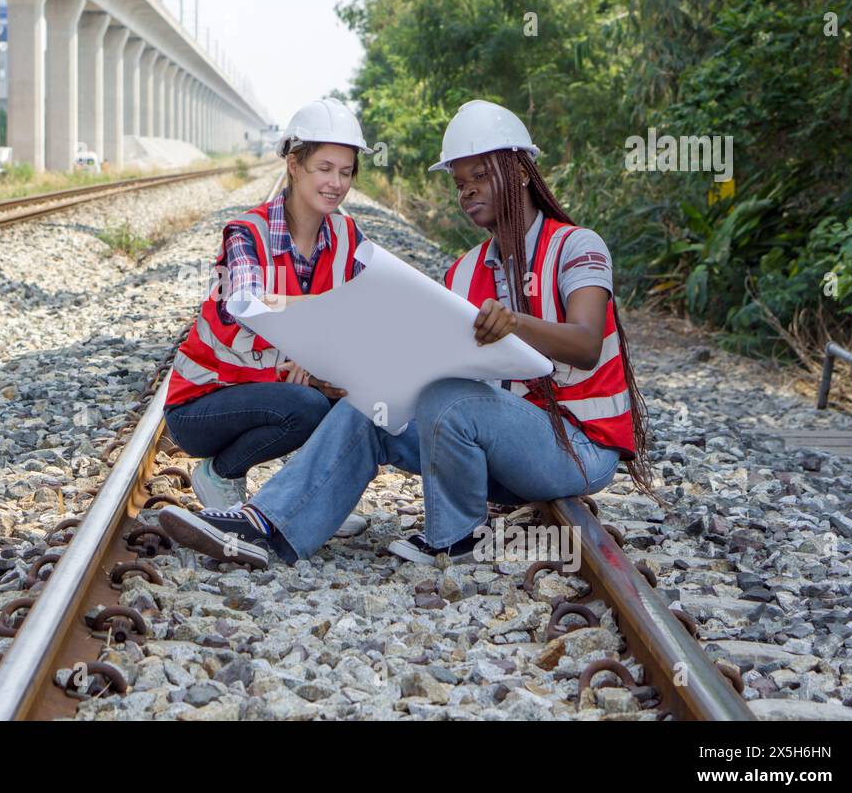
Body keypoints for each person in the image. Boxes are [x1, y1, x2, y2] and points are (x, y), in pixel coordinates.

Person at [161, 99, 654, 569]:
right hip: (497, 461)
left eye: (481, 176)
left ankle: (455, 538)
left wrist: (516, 323)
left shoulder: (576, 246)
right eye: (461, 184)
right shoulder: (463, 274)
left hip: (576, 451)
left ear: (522, 171)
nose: (469, 192)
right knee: (370, 408)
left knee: (449, 398)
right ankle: (267, 526)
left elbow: (587, 344)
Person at [163, 98, 373, 541]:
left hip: (274, 391)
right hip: (203, 404)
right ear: (294, 165)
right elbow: (246, 303)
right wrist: (313, 346)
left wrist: (324, 358)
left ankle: (315, 503)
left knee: (365, 390)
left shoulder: (348, 236)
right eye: (324, 168)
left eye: (346, 171)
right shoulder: (247, 233)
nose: (336, 183)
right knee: (310, 405)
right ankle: (220, 474)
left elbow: (368, 315)